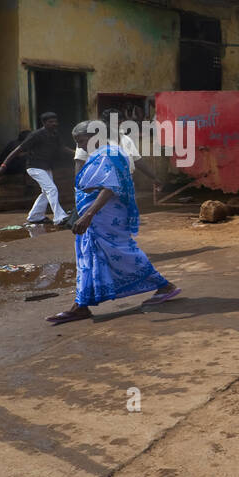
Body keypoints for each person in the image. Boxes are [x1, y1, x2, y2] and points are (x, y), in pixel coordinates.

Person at [45, 121, 179, 325]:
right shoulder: (101, 153)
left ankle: (164, 285)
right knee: (89, 257)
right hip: (96, 216)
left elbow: (111, 187)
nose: (79, 147)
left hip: (104, 217)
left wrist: (88, 214)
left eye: (81, 141)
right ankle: (81, 305)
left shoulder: (110, 153)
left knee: (120, 253)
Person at [0, 112, 70, 226]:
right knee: (52, 189)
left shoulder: (55, 134)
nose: (54, 124)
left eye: (55, 121)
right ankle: (60, 217)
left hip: (47, 167)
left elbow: (62, 148)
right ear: (44, 123)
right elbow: (18, 150)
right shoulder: (36, 135)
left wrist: (79, 153)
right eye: (50, 122)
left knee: (46, 191)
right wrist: (3, 166)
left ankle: (35, 216)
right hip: (35, 167)